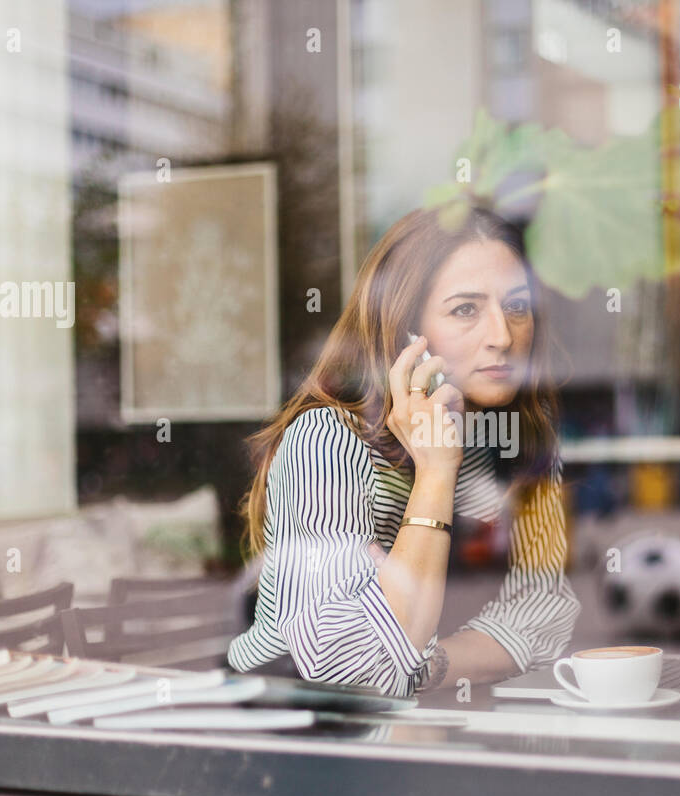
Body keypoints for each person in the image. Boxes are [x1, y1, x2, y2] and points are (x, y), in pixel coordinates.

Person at [229, 206, 581, 696]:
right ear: (407, 334)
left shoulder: (516, 438)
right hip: (290, 725)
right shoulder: (327, 441)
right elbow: (344, 667)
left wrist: (427, 664)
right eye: (465, 310)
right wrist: (436, 475)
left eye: (516, 307)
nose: (502, 336)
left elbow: (545, 612)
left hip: (429, 721)